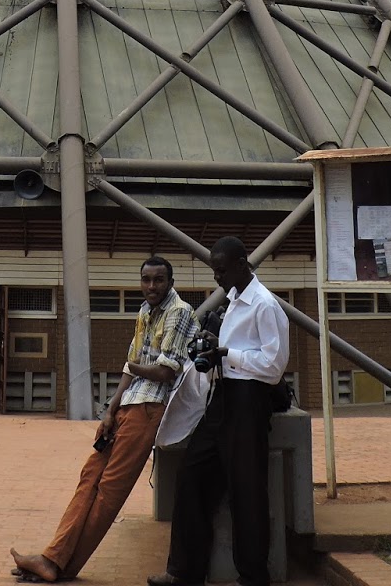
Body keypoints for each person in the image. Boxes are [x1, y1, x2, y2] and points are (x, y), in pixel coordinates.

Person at [10, 256, 198, 583]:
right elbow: (133, 364)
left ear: (170, 281)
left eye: (158, 280)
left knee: (109, 491)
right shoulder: (144, 311)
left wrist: (137, 365)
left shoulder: (179, 312)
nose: (151, 286)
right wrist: (111, 406)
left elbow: (165, 371)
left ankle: (62, 566)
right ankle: (52, 557)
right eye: (146, 280)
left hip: (150, 408)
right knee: (89, 478)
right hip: (127, 406)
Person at [149, 236, 290, 586]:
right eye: (215, 271)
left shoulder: (264, 305)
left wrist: (227, 354)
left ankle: (253, 577)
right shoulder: (232, 302)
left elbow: (274, 366)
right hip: (224, 397)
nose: (218, 278)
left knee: (247, 489)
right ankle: (184, 571)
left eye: (222, 270)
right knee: (192, 473)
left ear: (243, 264)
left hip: (251, 401)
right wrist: (215, 353)